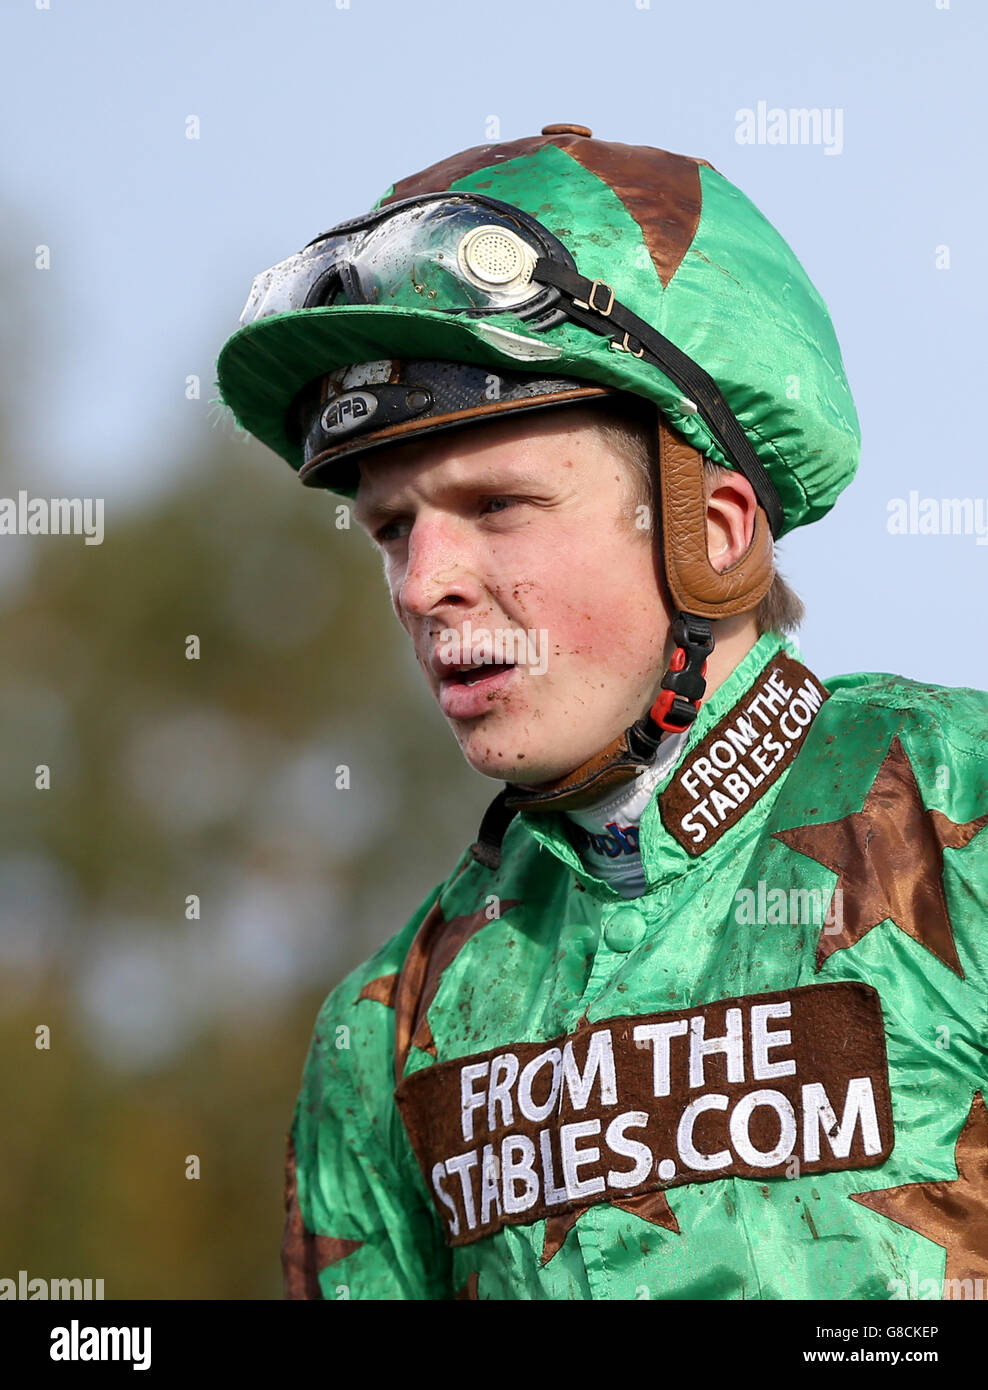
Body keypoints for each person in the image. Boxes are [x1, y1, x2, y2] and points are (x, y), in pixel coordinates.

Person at [216, 125, 988, 1301]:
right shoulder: (381, 1032)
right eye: (391, 528)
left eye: (498, 504)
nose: (424, 584)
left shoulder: (957, 812)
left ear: (714, 530)